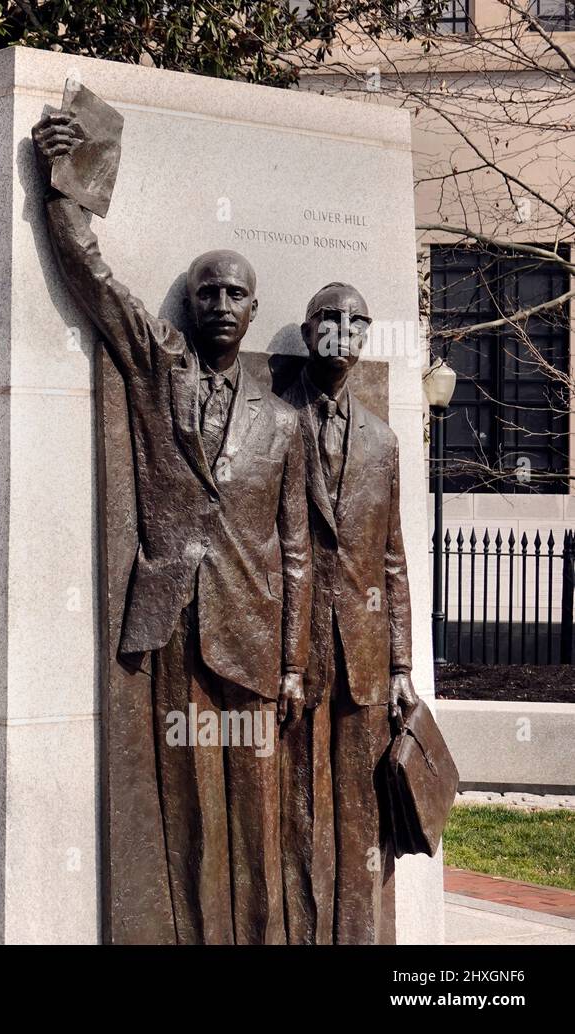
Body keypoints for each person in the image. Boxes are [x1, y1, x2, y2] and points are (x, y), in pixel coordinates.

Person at [32, 110, 312, 944]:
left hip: (257, 642)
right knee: (189, 822)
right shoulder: (162, 369)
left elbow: (296, 551)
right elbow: (94, 278)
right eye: (206, 291)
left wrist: (296, 665)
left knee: (258, 828)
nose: (220, 304)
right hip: (175, 629)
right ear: (189, 304)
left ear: (255, 308)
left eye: (234, 293)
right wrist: (64, 182)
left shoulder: (284, 424)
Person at [279, 282, 416, 945]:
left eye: (355, 321)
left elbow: (393, 558)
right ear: (307, 334)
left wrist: (401, 662)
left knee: (364, 820)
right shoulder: (273, 424)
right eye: (327, 318)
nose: (341, 329)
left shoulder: (384, 443)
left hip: (363, 657)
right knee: (299, 812)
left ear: (366, 338)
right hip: (296, 656)